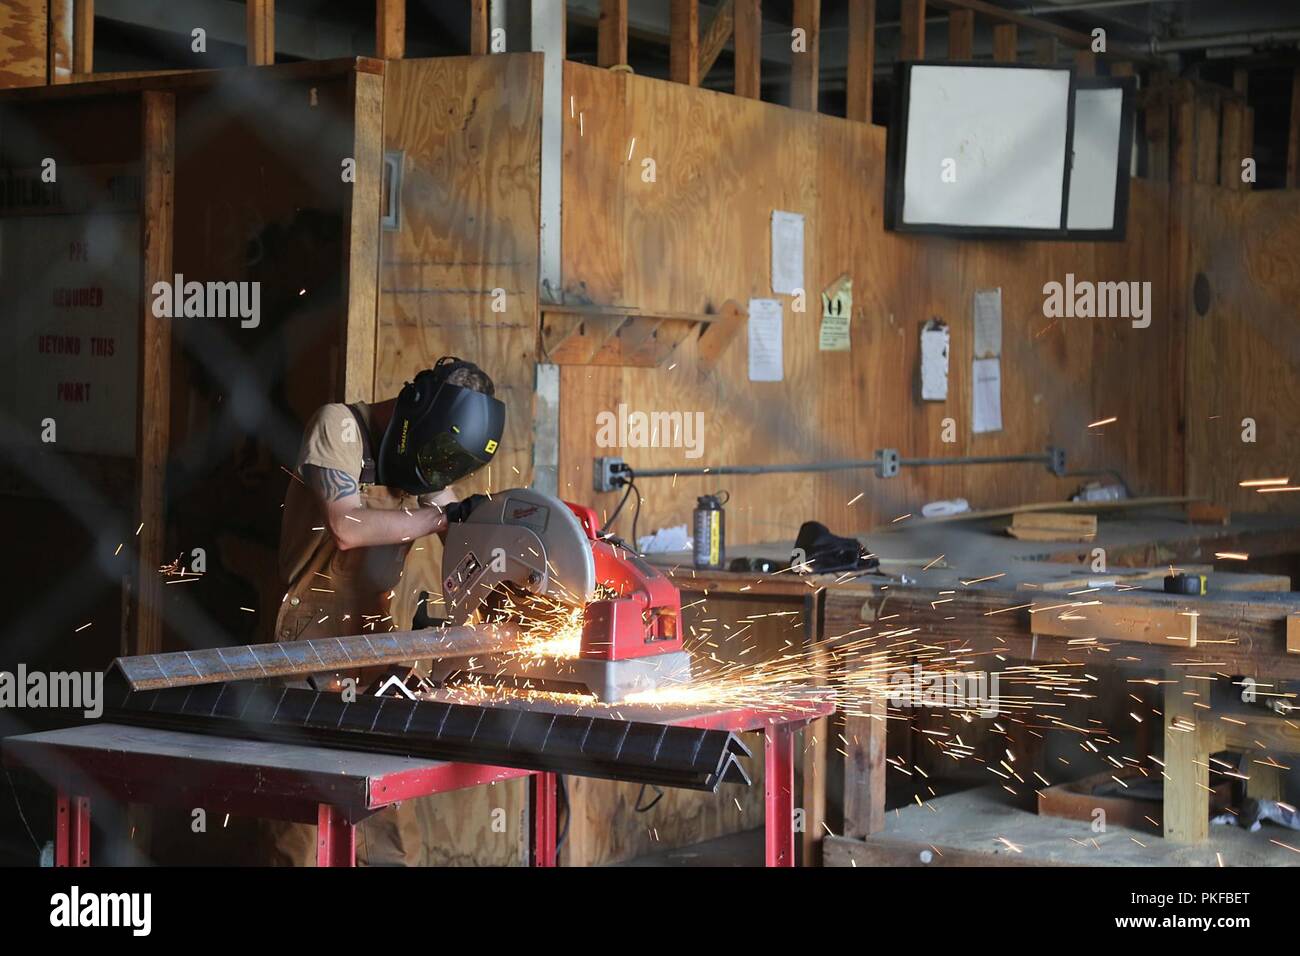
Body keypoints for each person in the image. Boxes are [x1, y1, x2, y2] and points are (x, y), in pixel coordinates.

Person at [266, 356, 504, 865]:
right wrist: (437, 516)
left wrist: (505, 565)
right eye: (436, 456)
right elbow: (347, 527)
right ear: (412, 408)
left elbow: (458, 523)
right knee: (303, 835)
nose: (433, 473)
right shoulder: (338, 427)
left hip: (379, 653)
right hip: (309, 655)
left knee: (391, 828)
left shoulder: (420, 462)